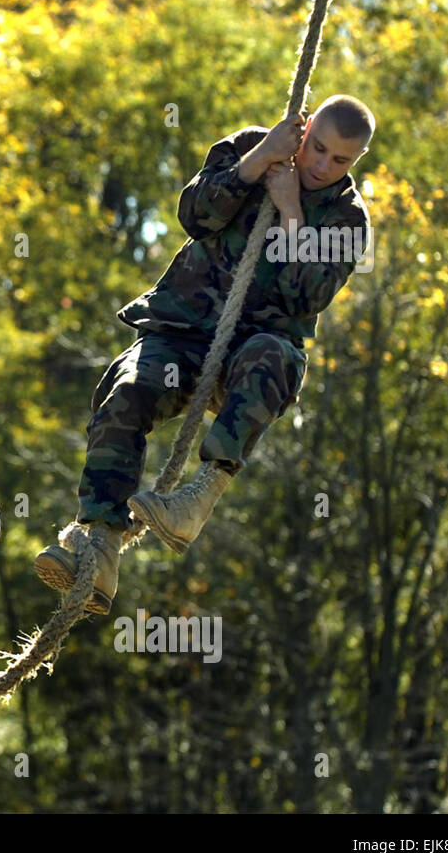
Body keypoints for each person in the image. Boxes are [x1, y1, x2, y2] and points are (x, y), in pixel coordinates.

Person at [35, 96, 375, 614]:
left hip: (252, 356)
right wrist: (258, 162)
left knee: (274, 355)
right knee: (126, 393)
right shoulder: (251, 147)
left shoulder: (347, 219)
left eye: (341, 161)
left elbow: (304, 297)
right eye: (318, 149)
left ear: (357, 162)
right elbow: (194, 215)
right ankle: (100, 543)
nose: (323, 166)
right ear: (304, 132)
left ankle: (199, 497)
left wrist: (289, 211)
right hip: (181, 332)